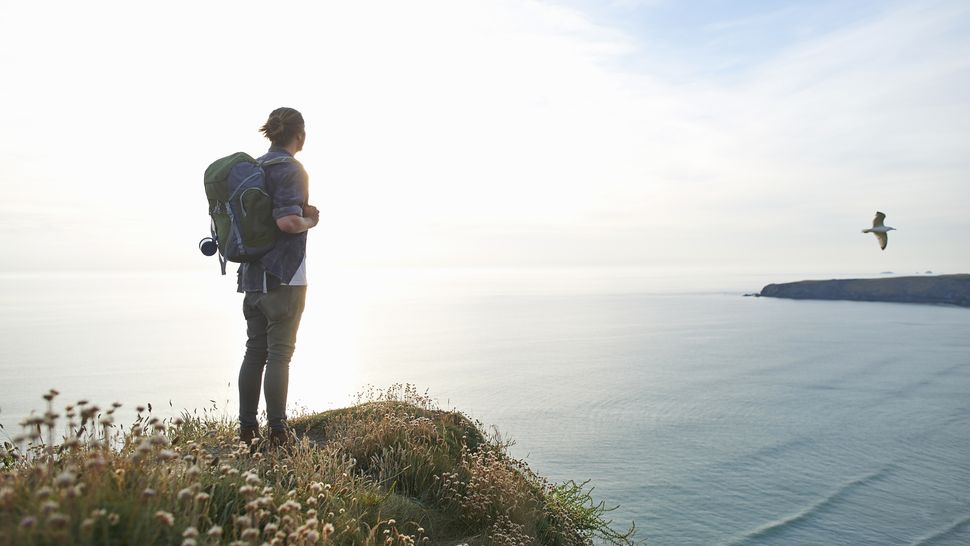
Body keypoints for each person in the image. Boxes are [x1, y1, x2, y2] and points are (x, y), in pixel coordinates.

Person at [237, 107, 319, 448]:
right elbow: (287, 222)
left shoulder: (254, 168)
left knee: (254, 352)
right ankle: (278, 432)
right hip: (284, 277)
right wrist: (311, 222)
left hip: (252, 275)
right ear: (299, 136)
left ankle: (246, 428)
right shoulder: (292, 170)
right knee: (279, 355)